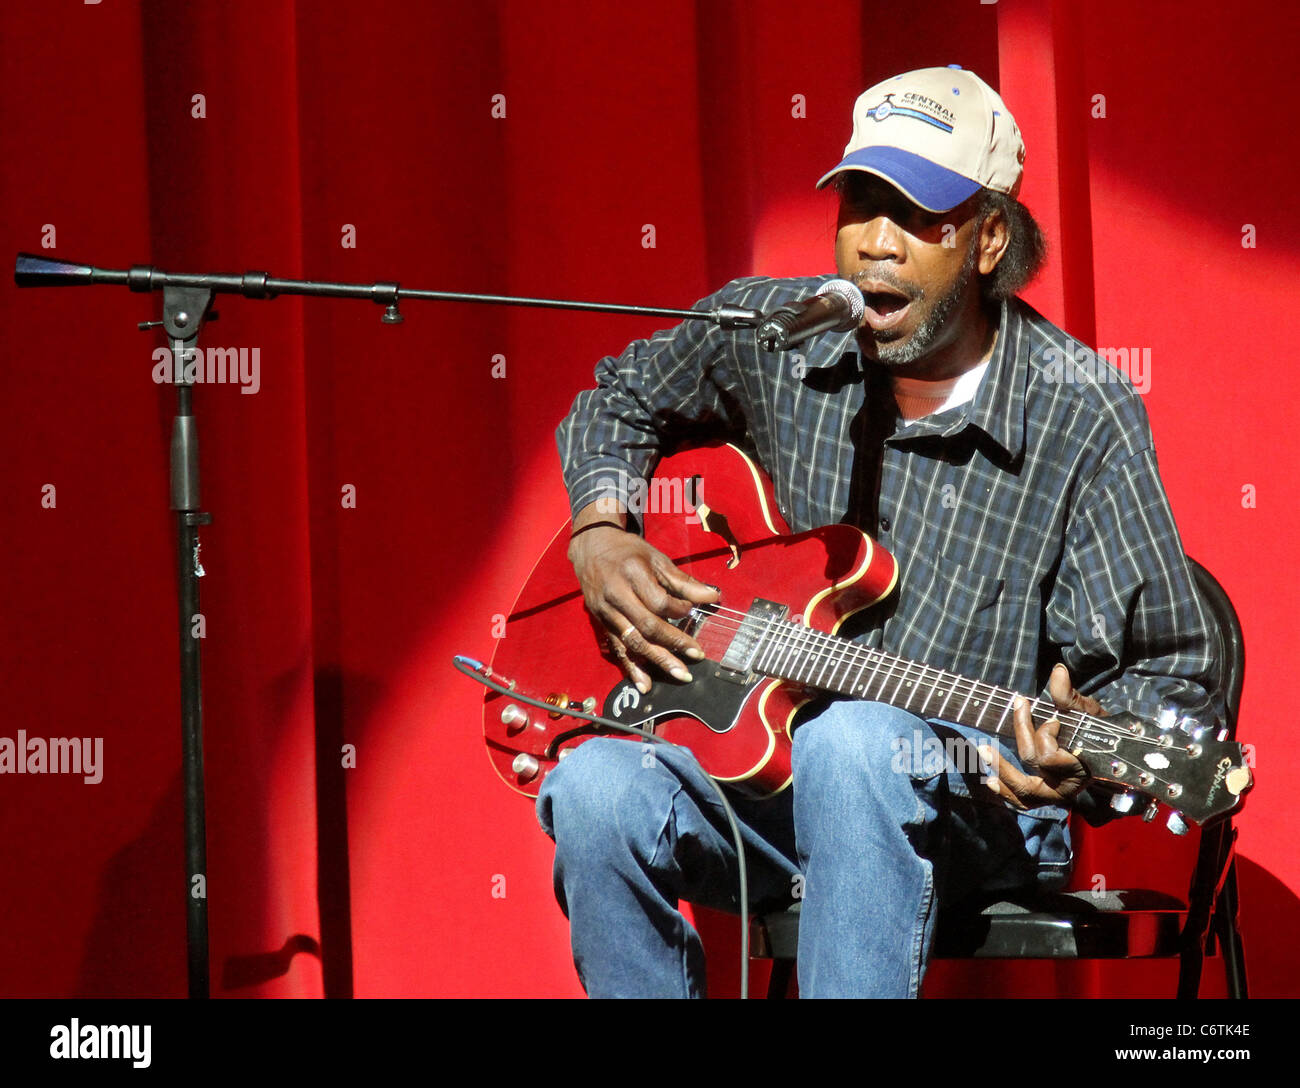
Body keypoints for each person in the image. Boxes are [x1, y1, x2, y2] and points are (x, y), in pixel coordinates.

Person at [535, 66, 1220, 998]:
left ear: (988, 240)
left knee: (855, 743)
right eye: (862, 203)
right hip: (767, 795)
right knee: (593, 791)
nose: (877, 245)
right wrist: (602, 529)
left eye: (917, 214)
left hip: (967, 804)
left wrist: (1083, 746)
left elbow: (1169, 671)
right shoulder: (777, 334)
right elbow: (619, 398)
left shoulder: (1079, 409)